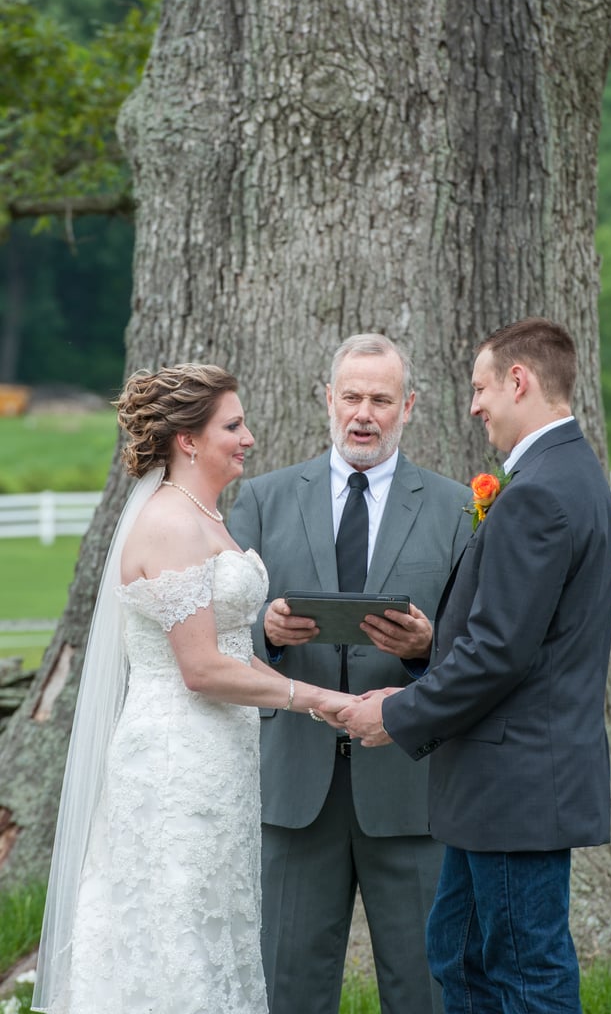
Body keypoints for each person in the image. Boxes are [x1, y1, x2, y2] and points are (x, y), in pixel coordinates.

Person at [32, 363, 347, 1014]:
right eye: (233, 426)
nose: (249, 438)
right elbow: (200, 669)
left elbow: (233, 649)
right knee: (172, 928)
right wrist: (313, 699)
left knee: (214, 925)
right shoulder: (170, 524)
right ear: (188, 440)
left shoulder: (206, 516)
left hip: (220, 756)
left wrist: (326, 703)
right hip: (175, 759)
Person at [333, 318, 611, 1014]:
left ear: (519, 380)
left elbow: (500, 653)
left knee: (526, 972)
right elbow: (520, 636)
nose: (474, 405)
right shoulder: (566, 472)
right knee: (459, 955)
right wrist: (430, 649)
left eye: (481, 386)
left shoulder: (541, 493)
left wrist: (393, 714)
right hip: (493, 788)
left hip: (517, 784)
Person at [228, 333, 472, 1014]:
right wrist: (266, 634)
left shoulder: (457, 509)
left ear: (410, 406)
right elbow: (215, 632)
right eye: (352, 396)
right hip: (295, 785)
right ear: (327, 399)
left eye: (382, 399)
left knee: (424, 988)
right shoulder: (264, 501)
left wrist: (427, 646)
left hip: (411, 787)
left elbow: (485, 646)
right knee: (289, 988)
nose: (364, 413)